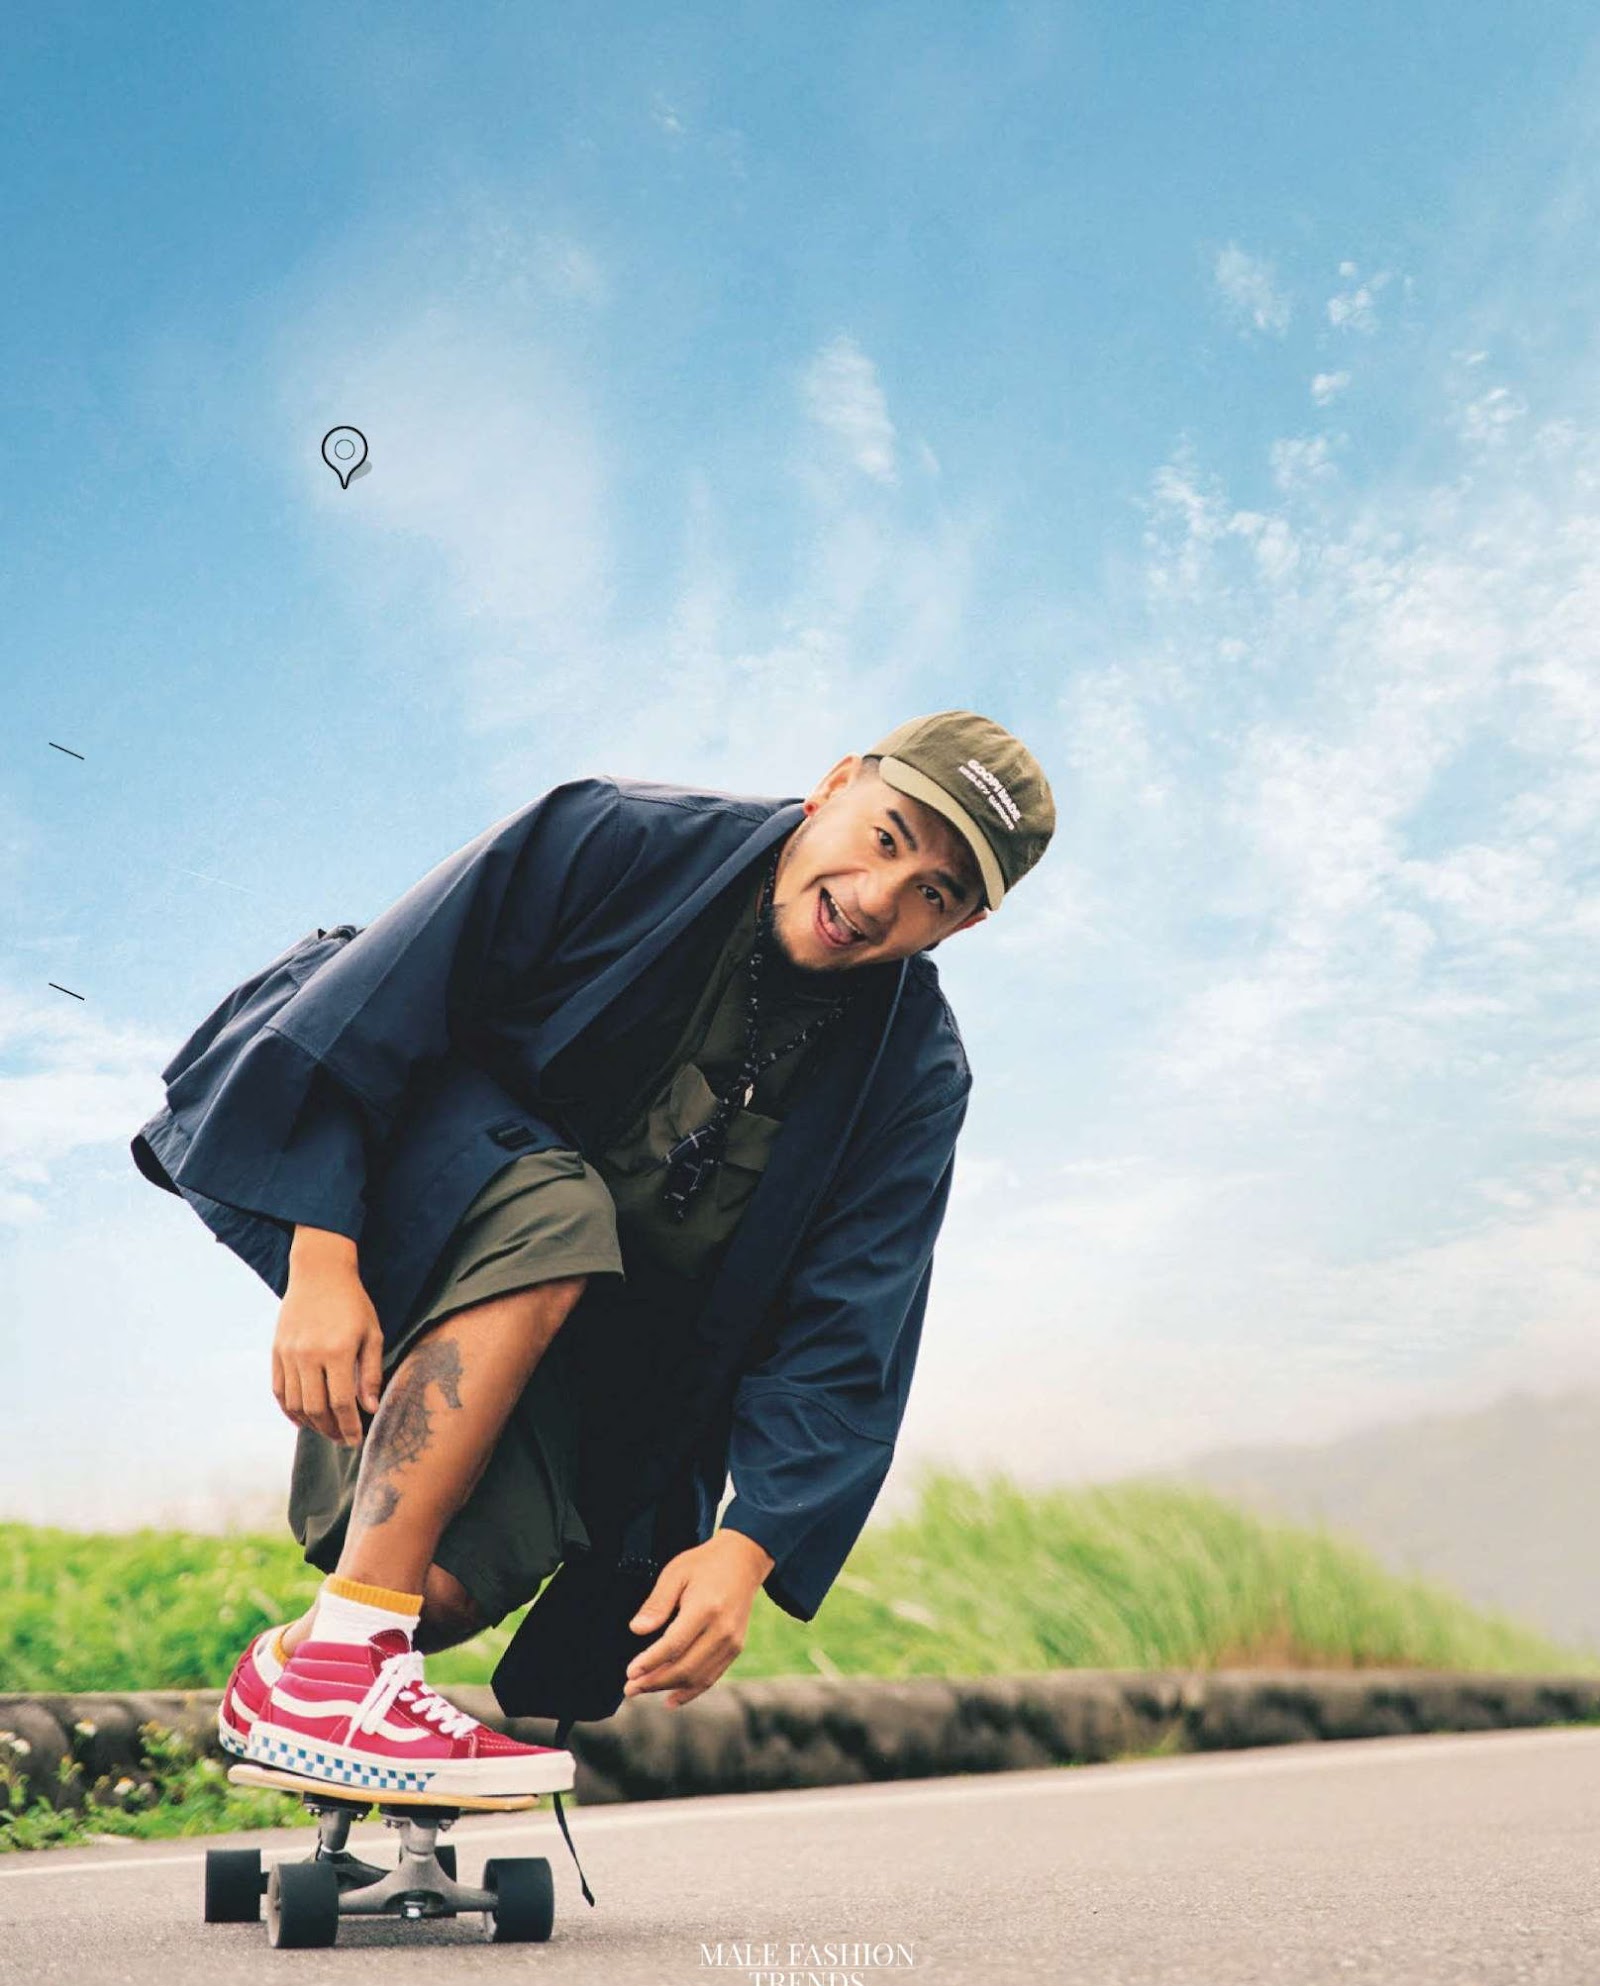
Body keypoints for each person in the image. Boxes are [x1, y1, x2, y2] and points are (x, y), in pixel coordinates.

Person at [130, 710, 1056, 1821]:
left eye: (936, 894)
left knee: (451, 1578)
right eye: (890, 836)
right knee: (558, 1202)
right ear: (834, 784)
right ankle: (346, 1668)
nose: (877, 897)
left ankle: (307, 1664)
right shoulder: (611, 834)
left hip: (591, 1336)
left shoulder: (913, 1074)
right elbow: (380, 1001)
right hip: (397, 1190)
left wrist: (746, 1547)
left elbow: (850, 1320)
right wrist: (323, 1259)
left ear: (967, 924)